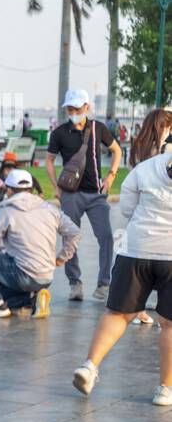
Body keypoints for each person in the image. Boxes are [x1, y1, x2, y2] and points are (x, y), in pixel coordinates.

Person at [73, 111, 172, 404]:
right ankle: (165, 389)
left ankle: (90, 367)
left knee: (117, 314)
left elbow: (128, 209)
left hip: (136, 251)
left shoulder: (144, 168)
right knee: (169, 323)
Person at [0, 168, 80, 319]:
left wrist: (0, 250)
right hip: (46, 277)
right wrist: (61, 258)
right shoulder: (49, 208)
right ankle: (33, 299)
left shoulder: (6, 209)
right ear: (31, 189)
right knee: (9, 296)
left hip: (22, 275)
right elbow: (75, 233)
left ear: (9, 190)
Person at [45, 88, 122, 302]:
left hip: (97, 194)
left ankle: (104, 284)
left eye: (77, 108)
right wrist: (56, 188)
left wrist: (111, 177)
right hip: (71, 194)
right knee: (70, 238)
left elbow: (117, 151)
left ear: (86, 107)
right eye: (70, 108)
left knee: (105, 237)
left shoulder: (98, 128)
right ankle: (74, 283)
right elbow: (49, 161)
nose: (73, 112)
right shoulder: (59, 133)